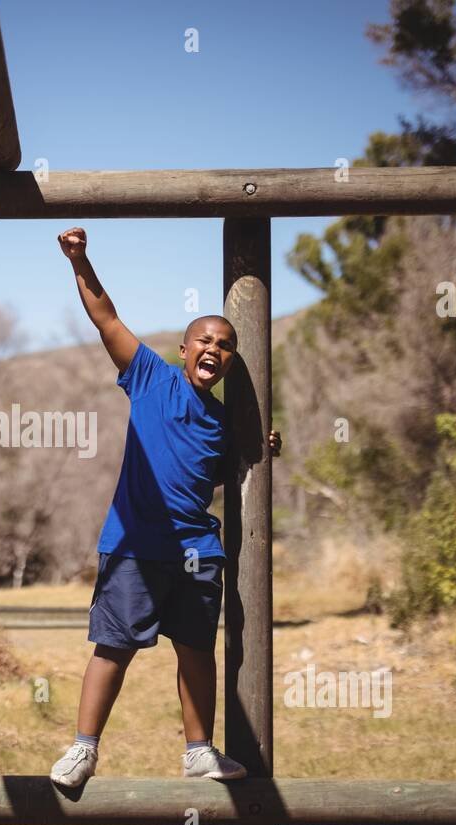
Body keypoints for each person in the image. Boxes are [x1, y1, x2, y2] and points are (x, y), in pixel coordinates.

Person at [49, 226, 281, 788]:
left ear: (229, 361)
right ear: (184, 350)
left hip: (198, 550)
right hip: (136, 545)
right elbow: (106, 317)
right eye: (205, 340)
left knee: (197, 649)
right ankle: (83, 750)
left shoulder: (227, 421)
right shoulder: (150, 377)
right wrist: (81, 260)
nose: (214, 350)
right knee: (114, 648)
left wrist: (257, 450)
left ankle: (198, 752)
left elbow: (216, 476)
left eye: (225, 346)